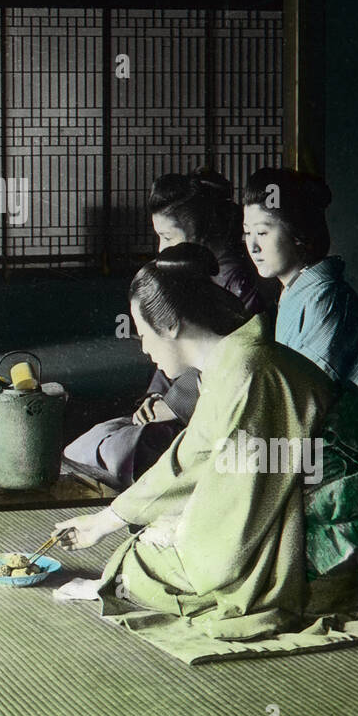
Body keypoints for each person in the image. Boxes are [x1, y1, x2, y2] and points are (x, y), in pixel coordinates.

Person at [51, 245, 358, 644]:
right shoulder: (231, 361)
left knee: (158, 565)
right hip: (292, 486)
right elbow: (189, 458)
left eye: (143, 334)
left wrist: (174, 542)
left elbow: (240, 489)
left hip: (326, 516)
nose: (143, 348)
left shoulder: (248, 370)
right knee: (152, 540)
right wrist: (104, 521)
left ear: (172, 325)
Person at [62, 169, 268, 489]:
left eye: (168, 237)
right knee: (101, 437)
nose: (161, 247)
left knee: (125, 448)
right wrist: (156, 394)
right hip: (177, 398)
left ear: (199, 230)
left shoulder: (237, 283)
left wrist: (171, 405)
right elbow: (168, 345)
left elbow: (221, 365)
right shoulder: (182, 273)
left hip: (207, 410)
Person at [242, 167, 358, 408]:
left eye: (262, 232)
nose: (253, 246)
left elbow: (306, 395)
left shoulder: (326, 296)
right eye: (247, 232)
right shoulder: (295, 289)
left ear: (298, 233)